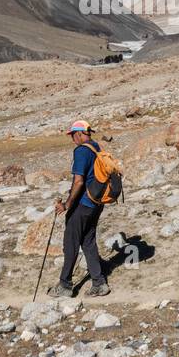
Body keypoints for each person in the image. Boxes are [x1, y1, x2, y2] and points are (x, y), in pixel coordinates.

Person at [47, 120, 111, 297]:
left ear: (80, 133)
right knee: (88, 241)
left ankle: (65, 285)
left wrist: (67, 204)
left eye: (73, 135)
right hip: (97, 203)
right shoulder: (96, 147)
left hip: (83, 204)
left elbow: (79, 181)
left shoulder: (82, 151)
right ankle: (99, 283)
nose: (73, 139)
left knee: (71, 243)